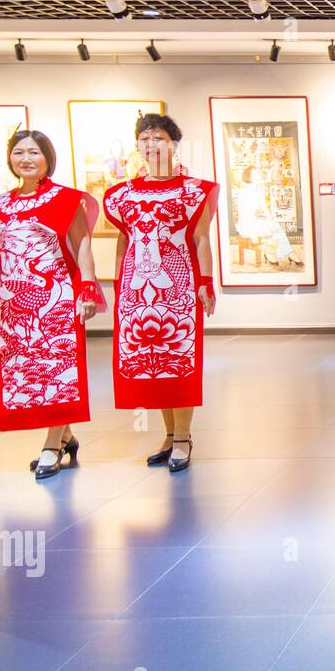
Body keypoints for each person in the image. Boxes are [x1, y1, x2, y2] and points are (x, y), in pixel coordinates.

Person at [0, 130, 105, 478]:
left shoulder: (65, 200)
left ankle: (51, 444)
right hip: (14, 305)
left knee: (57, 372)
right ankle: (66, 434)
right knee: (27, 373)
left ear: (48, 157)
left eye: (34, 152)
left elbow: (82, 246)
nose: (26, 159)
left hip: (54, 300)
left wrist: (88, 288)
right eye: (19, 152)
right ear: (10, 158)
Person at [103, 113, 218, 472]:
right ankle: (169, 436)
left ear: (173, 144)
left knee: (179, 358)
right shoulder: (121, 195)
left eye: (159, 138)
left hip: (178, 287)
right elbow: (125, 240)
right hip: (138, 290)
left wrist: (205, 281)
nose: (151, 145)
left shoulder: (194, 190)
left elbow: (200, 238)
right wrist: (120, 284)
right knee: (153, 365)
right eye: (145, 139)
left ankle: (183, 435)